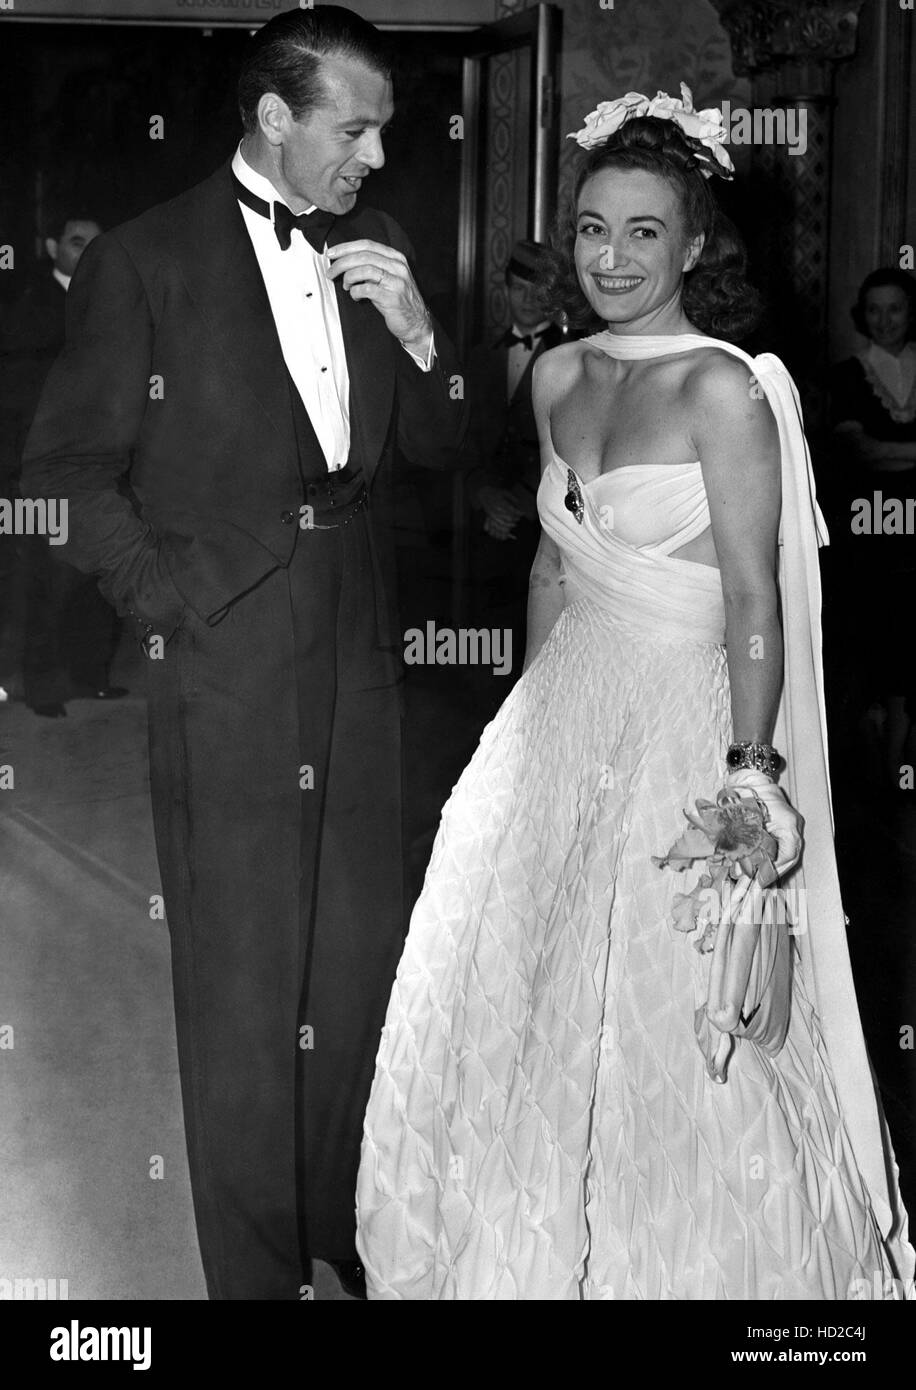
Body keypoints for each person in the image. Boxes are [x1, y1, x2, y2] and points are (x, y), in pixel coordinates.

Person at [356, 89, 914, 1299]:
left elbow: (758, 605)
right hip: (563, 710)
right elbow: (555, 563)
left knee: (677, 1009)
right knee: (515, 981)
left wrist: (749, 778)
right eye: (592, 228)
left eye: (643, 232)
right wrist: (521, 729)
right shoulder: (558, 372)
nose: (611, 257)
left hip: (684, 716)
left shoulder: (726, 389)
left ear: (695, 243)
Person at [21, 5, 467, 1301]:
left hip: (360, 631)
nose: (379, 155)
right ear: (276, 116)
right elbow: (61, 477)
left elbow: (441, 451)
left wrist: (427, 339)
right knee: (244, 972)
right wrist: (169, 592)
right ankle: (257, 1274)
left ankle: (341, 1215)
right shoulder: (148, 261)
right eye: (357, 126)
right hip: (226, 645)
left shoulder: (377, 245)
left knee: (353, 946)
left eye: (384, 127)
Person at [0, 212, 126, 715]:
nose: (87, 254)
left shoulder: (112, 307)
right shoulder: (28, 309)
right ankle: (43, 687)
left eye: (97, 246)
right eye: (77, 244)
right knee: (43, 580)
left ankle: (90, 675)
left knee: (95, 575)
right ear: (53, 247)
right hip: (39, 472)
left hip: (101, 468)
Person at [830, 268, 916, 791]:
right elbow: (862, 452)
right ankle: (877, 772)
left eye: (897, 309)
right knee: (878, 635)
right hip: (871, 526)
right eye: (875, 310)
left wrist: (893, 452)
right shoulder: (847, 375)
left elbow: (885, 450)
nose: (885, 320)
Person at [465, 240, 565, 670]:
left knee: (538, 662)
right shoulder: (476, 358)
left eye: (538, 290)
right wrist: (482, 494)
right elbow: (460, 446)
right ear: (504, 290)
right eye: (518, 288)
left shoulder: (573, 359)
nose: (527, 299)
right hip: (480, 536)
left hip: (544, 536)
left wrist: (521, 504)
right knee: (481, 662)